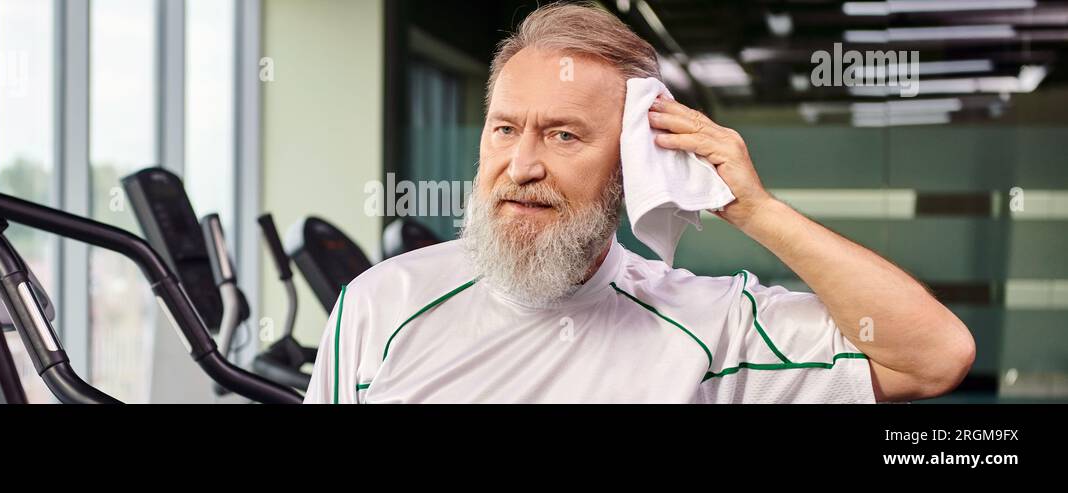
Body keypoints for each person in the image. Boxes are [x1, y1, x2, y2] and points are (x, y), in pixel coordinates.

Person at [303, 2, 975, 403]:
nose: (523, 164)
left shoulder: (711, 329)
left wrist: (755, 209)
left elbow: (935, 355)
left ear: (634, 161)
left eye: (564, 135)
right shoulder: (378, 305)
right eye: (506, 129)